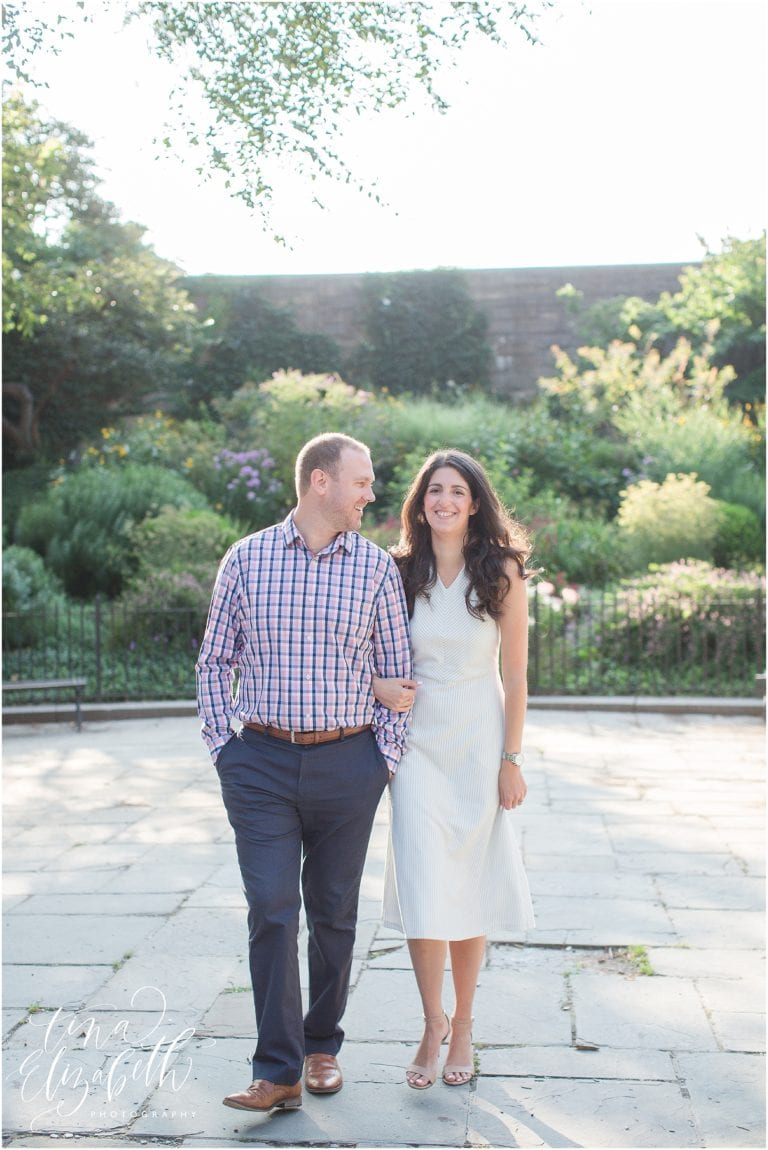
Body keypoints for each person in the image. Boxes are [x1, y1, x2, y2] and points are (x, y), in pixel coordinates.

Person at [197, 432, 412, 1114]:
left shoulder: (375, 569)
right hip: (259, 762)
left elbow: (400, 675)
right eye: (361, 481)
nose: (370, 493)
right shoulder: (247, 559)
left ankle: (321, 1046)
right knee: (270, 909)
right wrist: (223, 748)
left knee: (334, 913)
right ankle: (277, 1069)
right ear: (321, 481)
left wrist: (382, 760)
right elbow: (214, 661)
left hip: (349, 762)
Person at [373, 449, 535, 1090]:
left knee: (467, 882)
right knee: (421, 880)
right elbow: (367, 655)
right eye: (434, 490)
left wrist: (511, 760)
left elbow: (516, 675)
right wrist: (378, 689)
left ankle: (463, 1024)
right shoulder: (396, 571)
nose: (444, 500)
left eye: (457, 491)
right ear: (420, 503)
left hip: (477, 741)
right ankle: (431, 1021)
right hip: (415, 745)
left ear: (474, 503)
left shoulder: (501, 571)